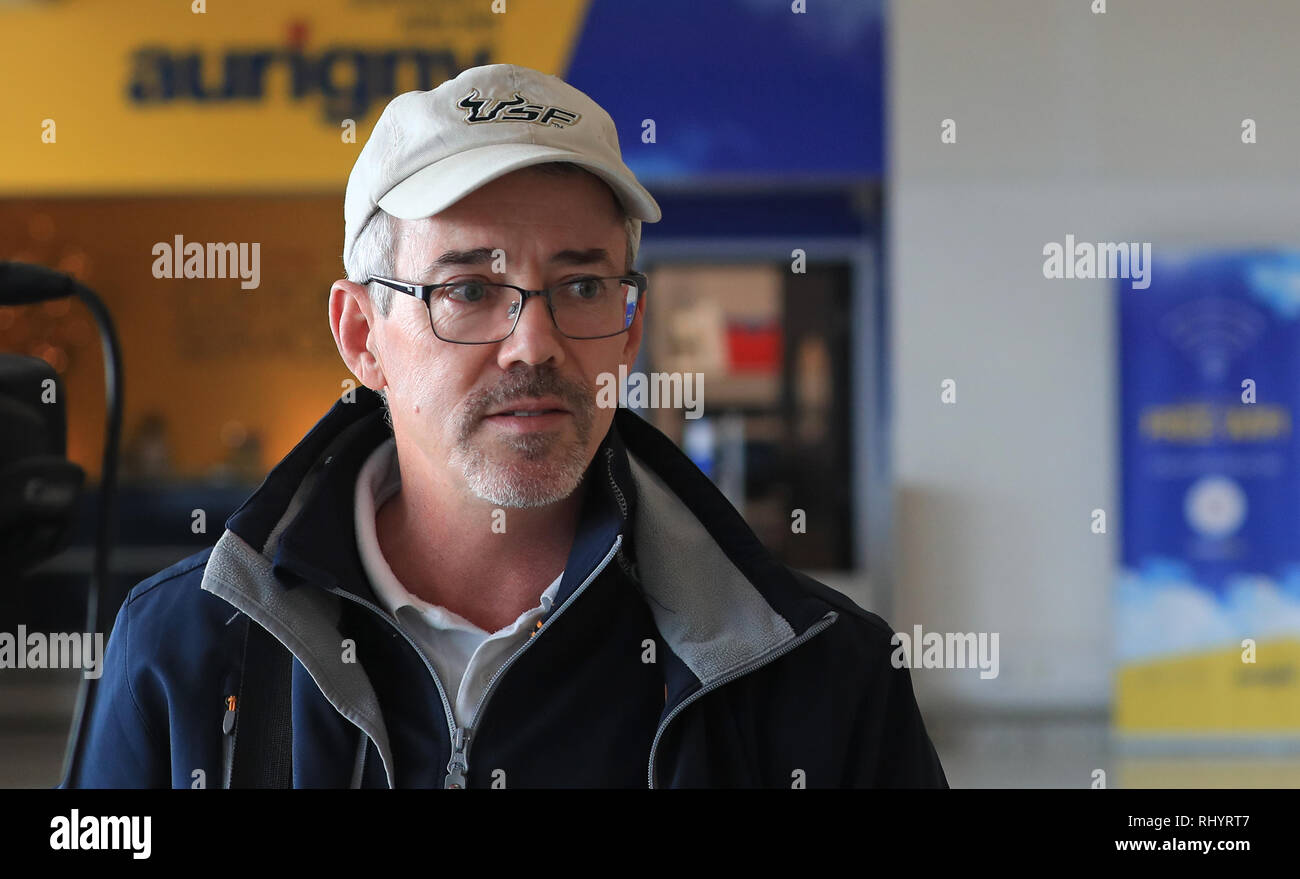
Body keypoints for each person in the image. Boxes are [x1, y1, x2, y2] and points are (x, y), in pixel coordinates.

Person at [61, 63, 947, 788]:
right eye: (470, 289)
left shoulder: (820, 679)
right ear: (363, 337)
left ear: (630, 332)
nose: (536, 343)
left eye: (583, 286)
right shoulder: (186, 657)